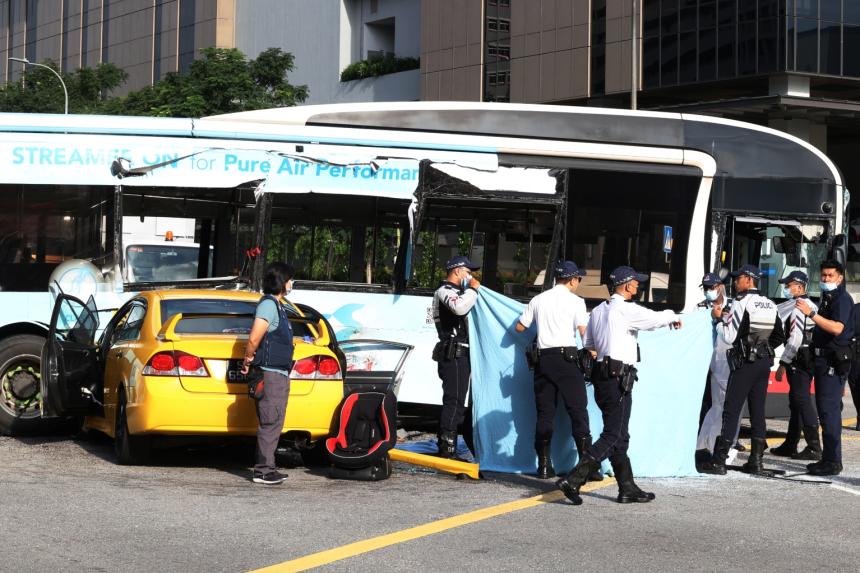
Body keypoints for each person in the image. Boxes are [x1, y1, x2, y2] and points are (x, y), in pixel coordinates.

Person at [556, 266, 681, 505]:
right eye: (636, 282)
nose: (638, 286)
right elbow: (654, 319)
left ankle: (627, 487)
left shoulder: (598, 311)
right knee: (613, 435)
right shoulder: (625, 309)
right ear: (626, 285)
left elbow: (589, 343)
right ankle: (573, 479)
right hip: (618, 379)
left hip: (602, 378)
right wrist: (673, 316)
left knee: (620, 434)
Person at [515, 260, 598, 480]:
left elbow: (519, 327)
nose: (578, 282)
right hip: (567, 360)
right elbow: (584, 334)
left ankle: (544, 466)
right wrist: (593, 352)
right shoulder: (576, 302)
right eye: (578, 278)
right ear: (571, 280)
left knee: (545, 414)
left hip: (543, 360)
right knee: (578, 411)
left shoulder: (538, 299)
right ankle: (587, 467)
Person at [699, 264, 785, 476]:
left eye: (738, 279)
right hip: (764, 363)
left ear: (748, 279)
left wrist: (718, 320)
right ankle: (756, 461)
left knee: (731, 409)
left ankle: (719, 461)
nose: (735, 282)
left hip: (745, 363)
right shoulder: (770, 304)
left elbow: (729, 336)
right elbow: (779, 336)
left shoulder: (741, 302)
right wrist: (762, 349)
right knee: (757, 411)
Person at [796, 259, 854, 476]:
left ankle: (833, 462)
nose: (826, 278)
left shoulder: (841, 299)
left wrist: (812, 315)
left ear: (839, 277)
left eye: (830, 275)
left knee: (829, 412)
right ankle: (828, 458)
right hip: (822, 361)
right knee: (825, 411)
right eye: (823, 275)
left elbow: (837, 328)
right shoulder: (828, 297)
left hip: (832, 362)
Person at [241, 262, 296, 485]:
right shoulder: (268, 305)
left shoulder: (279, 306)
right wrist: (247, 358)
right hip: (270, 374)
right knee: (270, 421)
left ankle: (268, 468)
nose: (292, 284)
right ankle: (263, 471)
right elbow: (255, 337)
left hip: (278, 373)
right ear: (282, 281)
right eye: (290, 279)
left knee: (275, 421)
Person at [432, 255, 481, 459]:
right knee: (454, 401)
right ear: (457, 271)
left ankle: (448, 443)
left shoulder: (459, 293)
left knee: (458, 401)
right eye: (468, 272)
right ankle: (447, 448)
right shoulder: (444, 291)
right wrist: (473, 289)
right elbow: (459, 307)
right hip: (453, 354)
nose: (470, 276)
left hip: (462, 354)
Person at [770, 271, 821, 460]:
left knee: (801, 400)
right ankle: (790, 444)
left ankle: (814, 446)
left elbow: (795, 338)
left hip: (799, 359)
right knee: (797, 401)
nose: (785, 288)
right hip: (807, 358)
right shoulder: (809, 304)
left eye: (788, 285)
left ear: (799, 287)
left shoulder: (799, 307)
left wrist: (784, 362)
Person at [695, 273, 743, 470]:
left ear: (720, 286)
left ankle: (728, 442)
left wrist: (720, 317)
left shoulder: (734, 305)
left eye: (712, 287)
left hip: (728, 360)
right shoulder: (699, 307)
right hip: (707, 361)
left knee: (731, 404)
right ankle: (705, 445)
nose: (709, 291)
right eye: (706, 288)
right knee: (713, 405)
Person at [848, 301, 860, 432]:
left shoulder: (854, 309)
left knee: (856, 386)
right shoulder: (854, 309)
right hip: (855, 353)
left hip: (855, 353)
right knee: (855, 385)